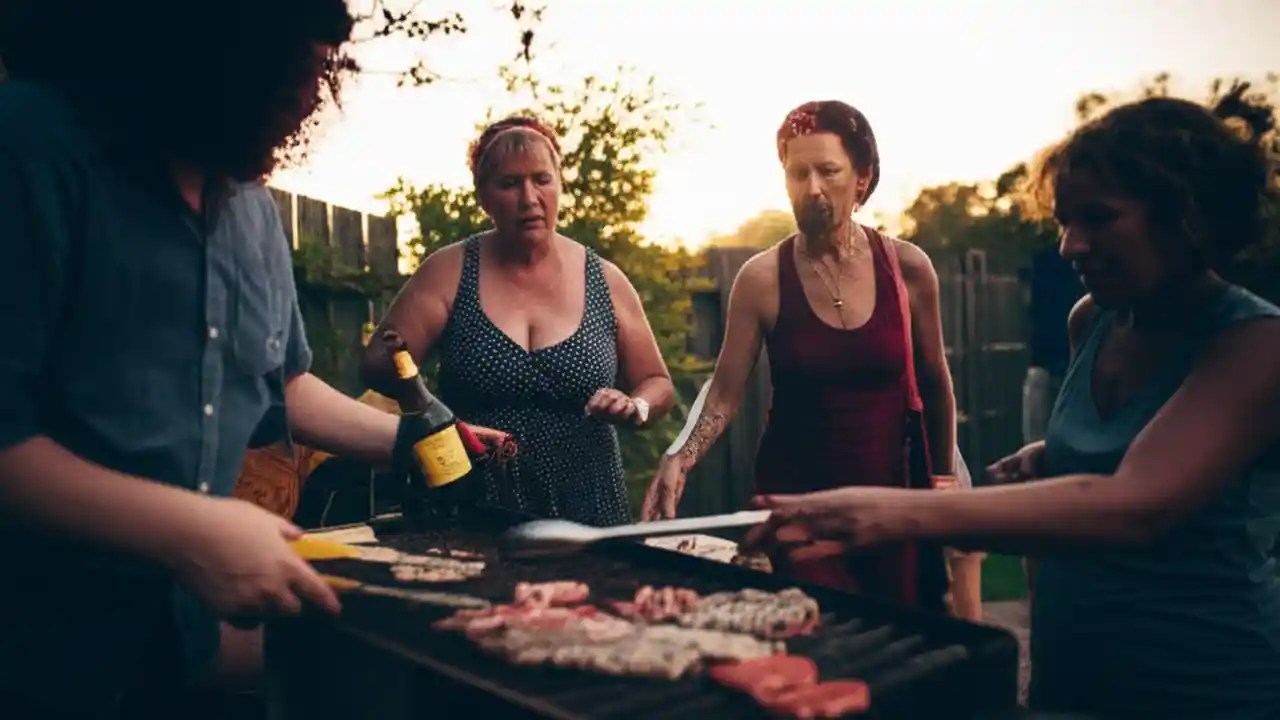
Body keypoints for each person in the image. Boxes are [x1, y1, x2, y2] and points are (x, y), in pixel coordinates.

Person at [741, 87, 1280, 718]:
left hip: (1203, 691)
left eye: (1098, 219)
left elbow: (1136, 505)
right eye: (1064, 222)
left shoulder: (1256, 344)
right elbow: (1147, 448)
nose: (1070, 247)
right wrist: (1058, 455)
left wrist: (898, 512)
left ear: (1186, 215)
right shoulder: (1094, 322)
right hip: (1068, 682)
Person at [0, 2, 455, 716]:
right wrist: (193, 530)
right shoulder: (28, 150)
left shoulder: (251, 210)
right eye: (286, 78)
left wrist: (412, 443)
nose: (306, 103)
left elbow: (282, 385)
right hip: (33, 654)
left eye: (318, 77)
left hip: (179, 653)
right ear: (204, 49)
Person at [641, 100, 982, 616]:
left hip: (890, 504)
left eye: (828, 171)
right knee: (820, 636)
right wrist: (681, 456)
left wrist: (940, 483)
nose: (812, 187)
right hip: (798, 506)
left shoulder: (908, 269)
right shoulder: (761, 279)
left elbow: (936, 382)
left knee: (896, 639)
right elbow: (724, 392)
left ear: (862, 178)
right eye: (798, 173)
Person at [360, 116, 675, 527]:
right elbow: (377, 366)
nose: (529, 198)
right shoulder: (450, 271)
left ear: (560, 184)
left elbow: (658, 383)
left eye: (541, 179)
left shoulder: (605, 279)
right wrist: (414, 392)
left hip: (588, 505)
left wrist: (636, 405)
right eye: (509, 184)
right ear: (483, 198)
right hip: (470, 503)